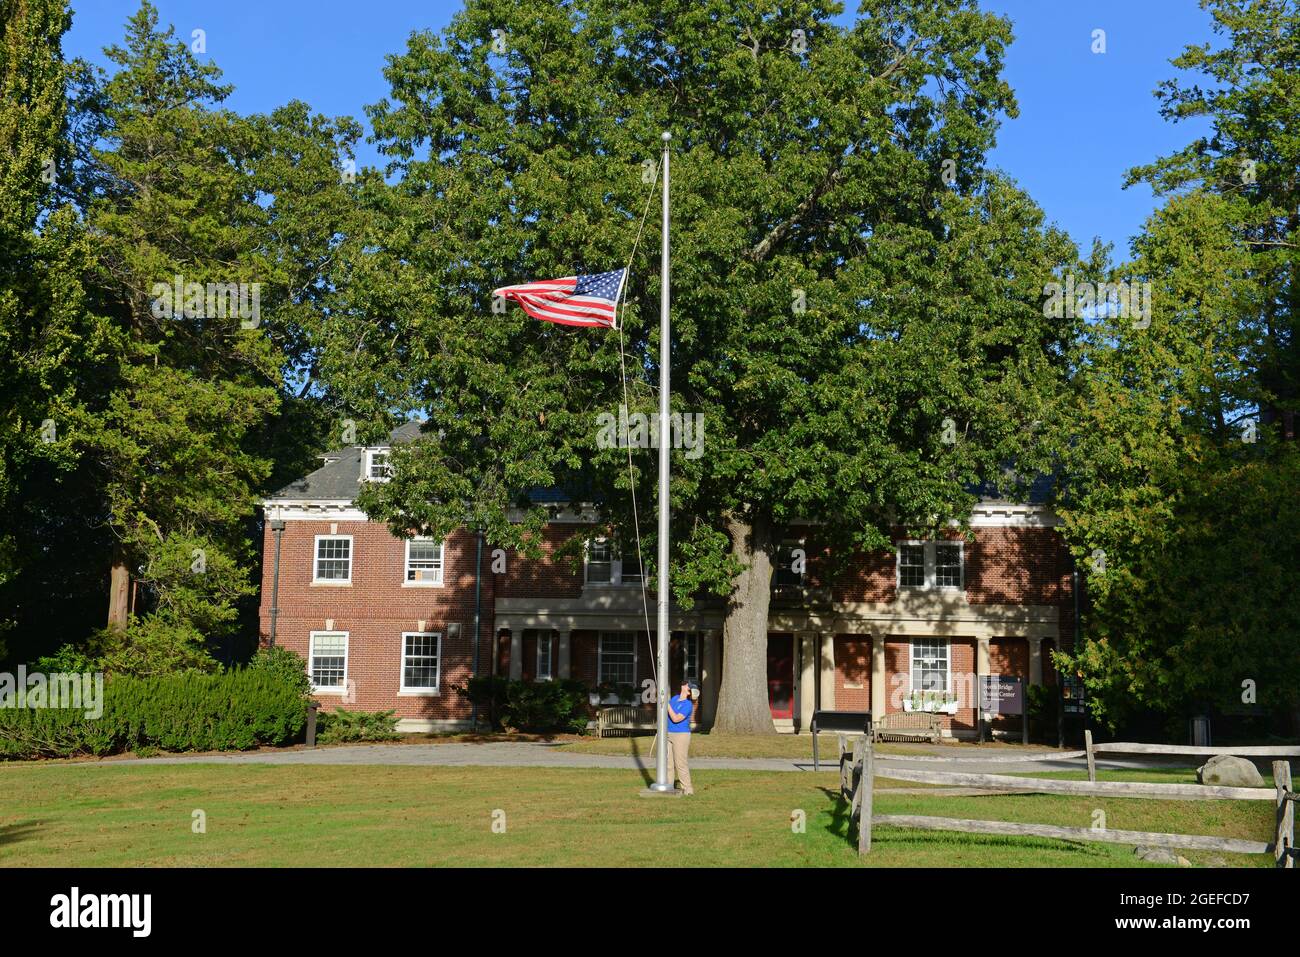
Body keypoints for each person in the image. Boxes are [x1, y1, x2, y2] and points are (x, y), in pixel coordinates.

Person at [666, 680, 697, 795]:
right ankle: (668, 786)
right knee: (668, 763)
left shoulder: (687, 705)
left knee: (680, 763)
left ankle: (688, 789)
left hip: (681, 735)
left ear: (689, 691)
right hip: (668, 733)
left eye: (687, 684)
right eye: (684, 683)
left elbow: (675, 718)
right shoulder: (674, 698)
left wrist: (666, 705)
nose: (684, 684)